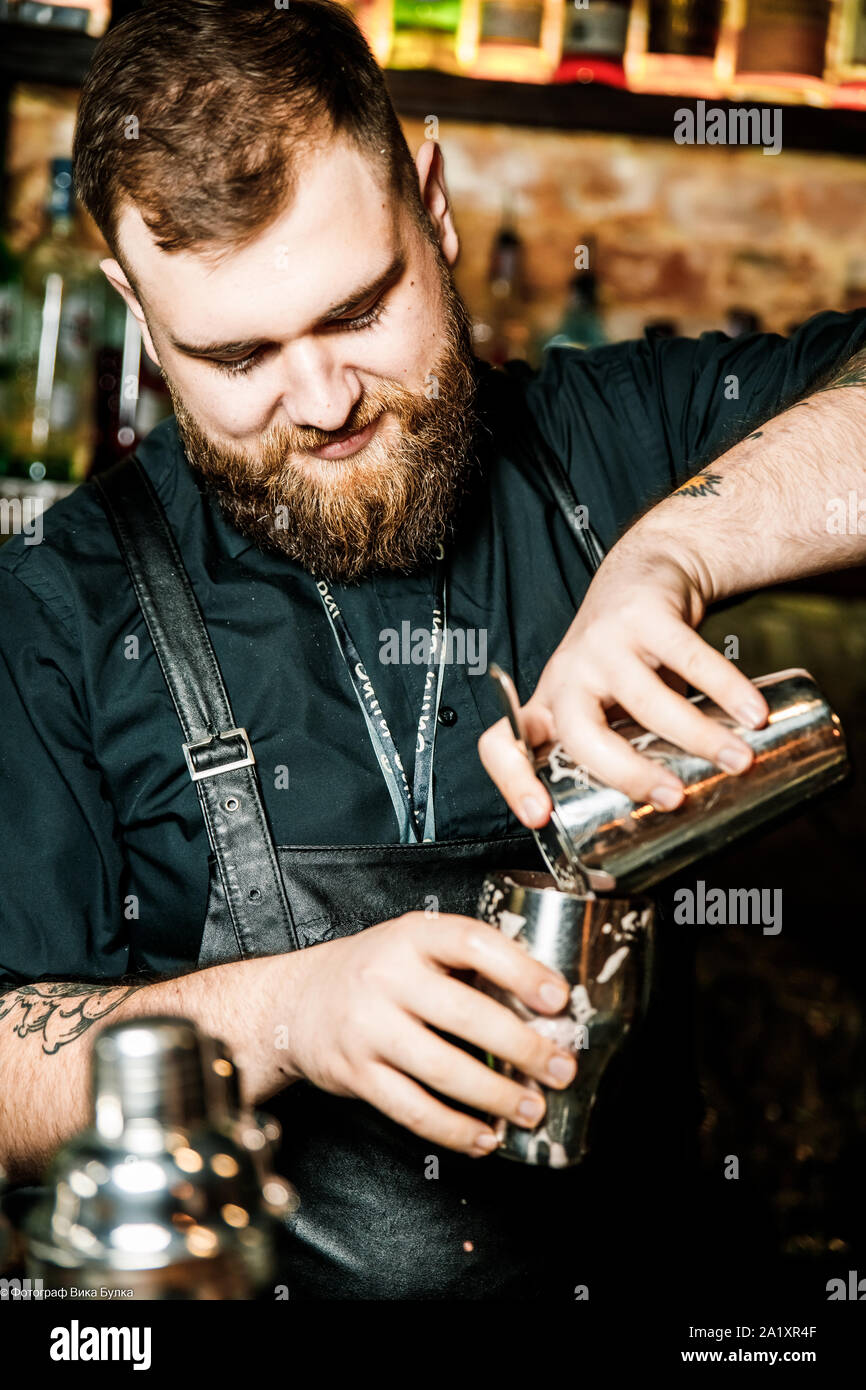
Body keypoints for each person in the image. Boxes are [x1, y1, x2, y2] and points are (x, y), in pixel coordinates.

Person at [1, 0, 865, 1299]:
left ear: (435, 207)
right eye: (236, 355)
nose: (323, 399)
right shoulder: (58, 603)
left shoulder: (609, 442)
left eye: (360, 308)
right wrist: (288, 1017)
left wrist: (670, 552)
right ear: (133, 304)